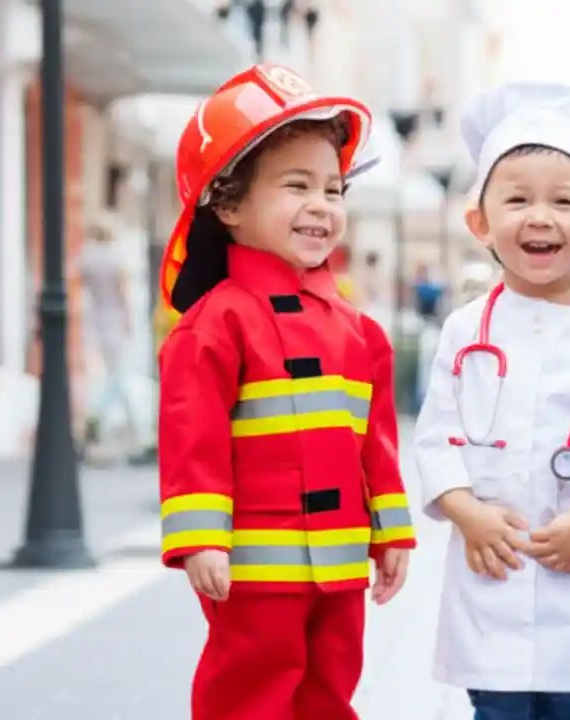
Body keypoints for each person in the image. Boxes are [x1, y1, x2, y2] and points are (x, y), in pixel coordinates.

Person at [155, 64, 416, 720]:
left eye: (333, 188)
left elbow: (375, 442)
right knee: (250, 692)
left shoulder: (360, 331)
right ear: (230, 203)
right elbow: (194, 433)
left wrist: (391, 533)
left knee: (331, 689)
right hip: (254, 567)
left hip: (339, 558)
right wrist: (200, 538)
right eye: (296, 185)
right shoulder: (217, 321)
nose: (322, 205)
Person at [413, 82, 570, 720]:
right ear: (480, 221)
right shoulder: (465, 330)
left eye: (564, 201)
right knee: (496, 706)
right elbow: (435, 438)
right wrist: (465, 511)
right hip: (491, 569)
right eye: (517, 199)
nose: (540, 216)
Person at [79, 223, 139, 450]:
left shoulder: (88, 258)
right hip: (115, 320)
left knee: (113, 373)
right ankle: (99, 417)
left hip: (96, 319)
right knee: (117, 374)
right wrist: (129, 321)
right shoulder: (116, 259)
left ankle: (120, 420)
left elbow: (76, 279)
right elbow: (123, 293)